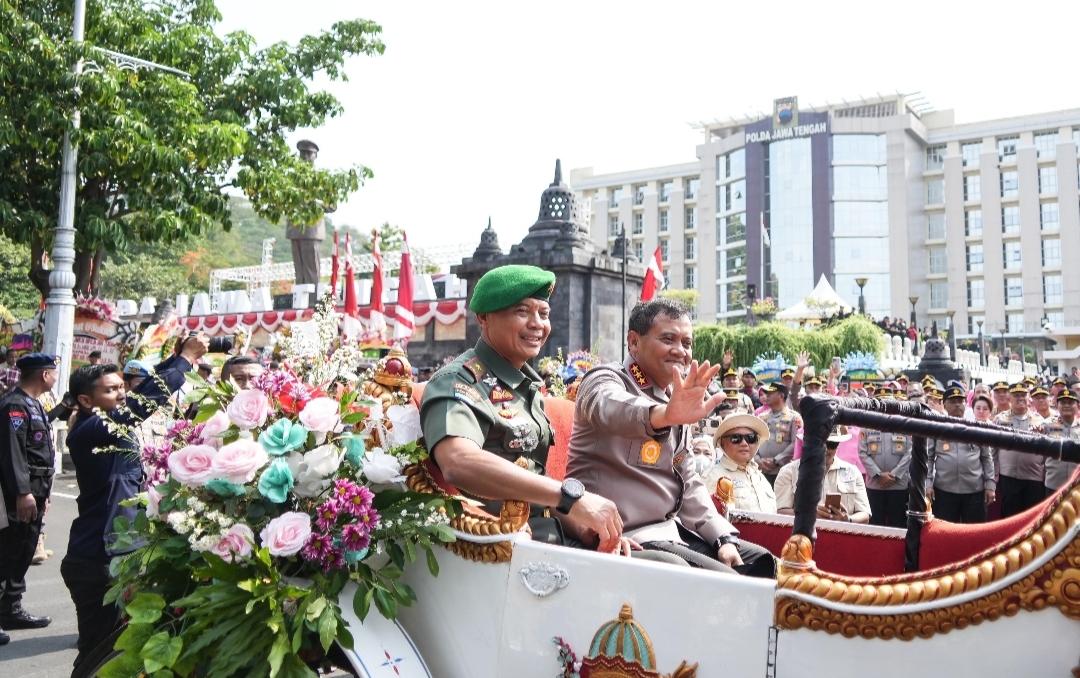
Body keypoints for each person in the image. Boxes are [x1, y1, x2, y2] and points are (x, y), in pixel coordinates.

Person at [419, 265, 626, 555]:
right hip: (499, 549)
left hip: (553, 543)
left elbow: (539, 496)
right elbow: (459, 461)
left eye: (544, 313)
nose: (537, 324)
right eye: (522, 312)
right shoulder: (460, 380)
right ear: (484, 318)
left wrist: (589, 529)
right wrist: (569, 497)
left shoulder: (525, 387)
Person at [567, 298, 775, 577]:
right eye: (668, 339)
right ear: (634, 342)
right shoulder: (605, 379)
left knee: (764, 563)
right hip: (625, 535)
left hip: (672, 531)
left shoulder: (673, 398)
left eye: (686, 343)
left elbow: (687, 481)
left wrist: (722, 537)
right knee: (731, 582)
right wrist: (664, 415)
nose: (680, 351)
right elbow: (610, 406)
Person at [62, 335, 209, 670]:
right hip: (97, 560)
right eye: (111, 390)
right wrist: (184, 361)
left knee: (118, 650)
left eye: (121, 386)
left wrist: (175, 359)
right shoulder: (90, 430)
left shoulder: (104, 425)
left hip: (119, 554)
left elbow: (143, 392)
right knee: (98, 653)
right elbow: (140, 405)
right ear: (87, 400)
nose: (122, 392)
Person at [0, 353, 60, 640]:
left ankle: (10, 609)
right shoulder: (14, 405)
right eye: (53, 371)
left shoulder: (32, 403)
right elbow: (13, 455)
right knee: (9, 551)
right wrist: (23, 493)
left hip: (35, 490)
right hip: (21, 493)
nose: (55, 376)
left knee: (23, 550)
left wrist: (42, 493)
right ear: (44, 375)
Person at [926, 384, 995, 523]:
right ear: (944, 404)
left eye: (960, 401)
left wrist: (990, 485)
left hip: (974, 490)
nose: (957, 405)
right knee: (946, 533)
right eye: (952, 402)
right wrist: (928, 484)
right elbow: (929, 457)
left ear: (966, 403)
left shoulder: (976, 428)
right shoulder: (936, 428)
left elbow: (987, 458)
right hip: (944, 490)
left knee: (974, 533)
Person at [775, 426, 871, 524]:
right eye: (820, 444)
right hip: (803, 536)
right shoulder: (788, 472)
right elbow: (779, 512)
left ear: (838, 445)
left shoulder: (853, 472)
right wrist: (810, 515)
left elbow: (865, 514)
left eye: (832, 444)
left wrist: (847, 519)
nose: (826, 449)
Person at [858, 388, 912, 527]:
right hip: (875, 484)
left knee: (898, 522)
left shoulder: (903, 424)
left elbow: (909, 451)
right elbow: (862, 452)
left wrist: (894, 475)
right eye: (881, 402)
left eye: (888, 402)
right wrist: (878, 474)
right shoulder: (866, 425)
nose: (885, 406)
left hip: (898, 484)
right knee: (876, 523)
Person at [704, 414, 776, 514]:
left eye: (750, 438)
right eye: (736, 438)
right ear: (722, 442)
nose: (744, 443)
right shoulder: (711, 476)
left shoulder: (760, 477)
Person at [994, 383, 1046, 518]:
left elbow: (1047, 451)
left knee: (1032, 517)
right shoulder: (1000, 419)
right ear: (1009, 398)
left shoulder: (1040, 420)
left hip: (1034, 477)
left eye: (1023, 395)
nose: (1020, 398)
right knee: (1010, 516)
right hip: (1008, 476)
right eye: (1016, 395)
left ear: (1028, 397)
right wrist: (994, 473)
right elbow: (993, 449)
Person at [756, 383, 800, 485]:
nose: (766, 396)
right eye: (766, 393)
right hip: (761, 469)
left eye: (770, 393)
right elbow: (754, 440)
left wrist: (776, 461)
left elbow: (796, 443)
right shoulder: (761, 417)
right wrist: (758, 459)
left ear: (781, 396)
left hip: (782, 471)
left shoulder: (794, 417)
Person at [1043, 388, 1080, 498]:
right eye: (1063, 402)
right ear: (1057, 405)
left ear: (1078, 406)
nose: (1067, 406)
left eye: (1071, 402)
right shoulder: (1046, 425)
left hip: (1077, 485)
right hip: (1053, 484)